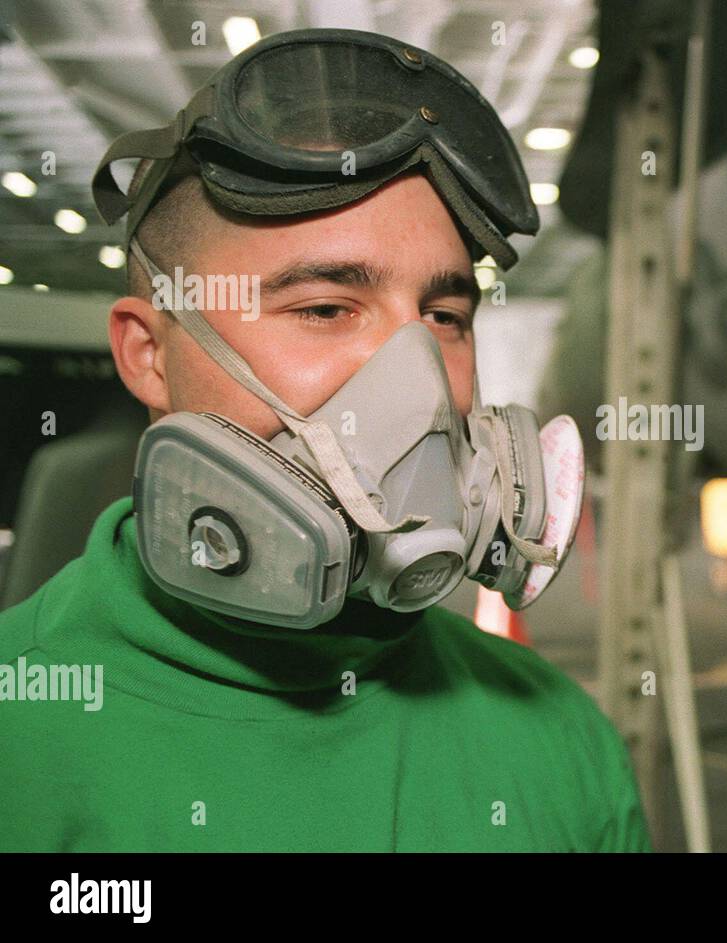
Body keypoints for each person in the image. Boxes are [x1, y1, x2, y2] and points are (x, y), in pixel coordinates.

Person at [0, 27, 652, 852]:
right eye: (322, 308)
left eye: (445, 318)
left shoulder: (561, 738)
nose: (418, 386)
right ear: (148, 353)